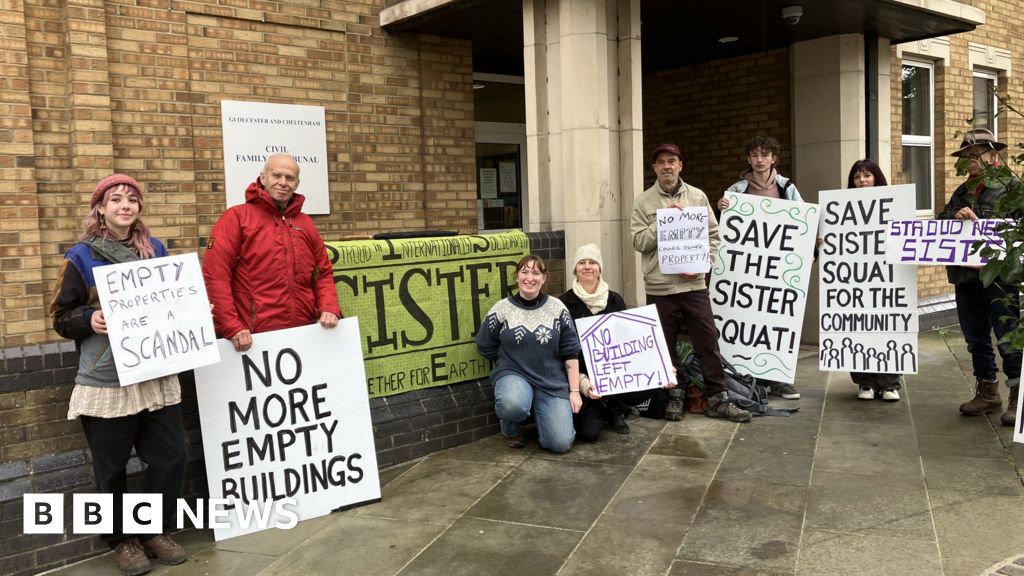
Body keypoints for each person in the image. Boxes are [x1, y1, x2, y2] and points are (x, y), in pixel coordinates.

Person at [50, 174, 188, 576]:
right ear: (101, 208)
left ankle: (152, 529)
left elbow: (174, 302)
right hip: (107, 378)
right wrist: (89, 318)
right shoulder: (80, 256)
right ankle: (120, 540)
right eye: (116, 199)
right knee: (110, 467)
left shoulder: (156, 250)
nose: (125, 205)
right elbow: (61, 316)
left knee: (170, 457)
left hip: (154, 372)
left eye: (131, 199)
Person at [631, 143, 752, 423]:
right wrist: (664, 222)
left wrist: (702, 263)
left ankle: (718, 398)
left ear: (680, 165)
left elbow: (714, 236)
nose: (667, 166)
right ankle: (676, 395)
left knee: (707, 340)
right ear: (654, 169)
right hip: (660, 286)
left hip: (694, 284)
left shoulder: (697, 196)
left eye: (671, 161)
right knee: (665, 345)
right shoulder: (643, 202)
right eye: (661, 162)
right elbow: (638, 242)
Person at [202, 153, 341, 351]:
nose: (283, 182)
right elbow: (215, 276)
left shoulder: (305, 224)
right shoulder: (236, 218)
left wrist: (329, 307)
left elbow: (323, 273)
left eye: (290, 178)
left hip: (304, 335)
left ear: (297, 183)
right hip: (252, 340)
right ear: (263, 177)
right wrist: (231, 326)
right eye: (277, 175)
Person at [938, 128, 1021, 426]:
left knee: (1007, 336)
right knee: (975, 337)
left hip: (999, 277)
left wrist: (981, 223)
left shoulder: (1012, 187)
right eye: (966, 157)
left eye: (975, 155)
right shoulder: (961, 191)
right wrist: (953, 218)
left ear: (993, 155)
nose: (970, 162)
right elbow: (940, 225)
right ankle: (988, 391)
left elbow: (1018, 230)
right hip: (965, 276)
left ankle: (1017, 395)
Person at [717, 135, 803, 400]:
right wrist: (721, 210)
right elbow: (724, 229)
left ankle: (780, 379)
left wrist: (807, 247)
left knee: (778, 322)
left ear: (774, 158)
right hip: (746, 269)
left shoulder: (787, 187)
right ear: (748, 159)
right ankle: (751, 376)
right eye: (755, 155)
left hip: (777, 269)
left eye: (765, 155)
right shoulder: (737, 190)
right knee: (749, 321)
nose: (760, 160)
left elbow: (801, 222)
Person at [476, 255, 582, 452]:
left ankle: (542, 418)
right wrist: (507, 361)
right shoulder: (501, 309)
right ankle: (510, 429)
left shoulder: (557, 308)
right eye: (524, 272)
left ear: (544, 278)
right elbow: (484, 345)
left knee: (559, 444)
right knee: (513, 403)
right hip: (514, 373)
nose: (529, 278)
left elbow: (571, 351)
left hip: (550, 379)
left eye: (536, 273)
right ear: (517, 276)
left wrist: (574, 391)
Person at [560, 244, 663, 440]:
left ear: (600, 269)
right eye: (582, 263)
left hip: (615, 372)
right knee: (588, 434)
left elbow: (629, 340)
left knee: (654, 379)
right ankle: (599, 406)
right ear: (575, 269)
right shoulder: (564, 302)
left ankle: (617, 408)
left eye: (593, 262)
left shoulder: (615, 300)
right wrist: (583, 382)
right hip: (583, 376)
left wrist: (659, 364)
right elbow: (563, 349)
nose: (587, 266)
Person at [845, 159, 903, 402]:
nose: (862, 181)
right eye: (857, 177)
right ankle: (865, 382)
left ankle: (890, 383)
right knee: (858, 328)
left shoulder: (894, 205)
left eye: (867, 176)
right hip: (855, 279)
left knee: (885, 327)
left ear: (877, 177)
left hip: (885, 277)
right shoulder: (842, 208)